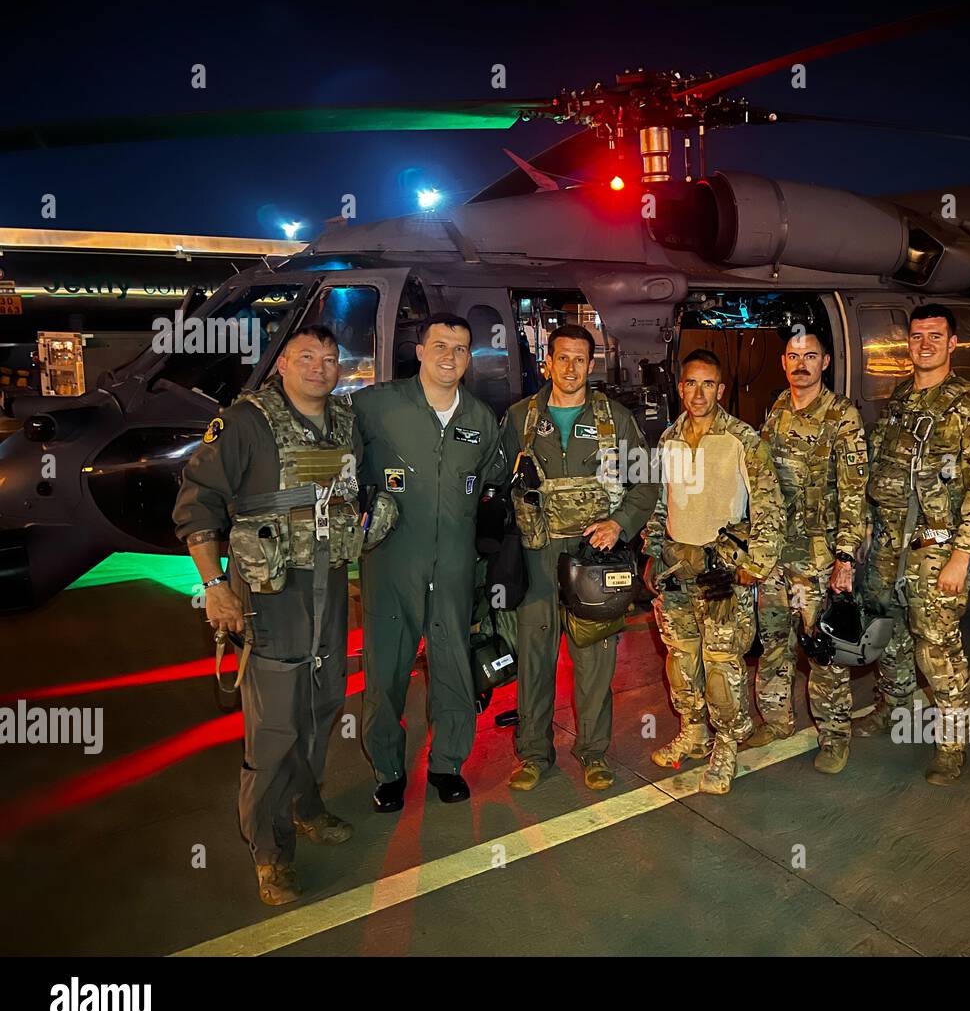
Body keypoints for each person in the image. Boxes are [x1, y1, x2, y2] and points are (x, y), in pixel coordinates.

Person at [173, 324, 361, 906]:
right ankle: (269, 851)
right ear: (281, 363)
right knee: (276, 725)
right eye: (307, 357)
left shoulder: (346, 421)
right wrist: (213, 586)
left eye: (329, 360)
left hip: (327, 589)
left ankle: (306, 806)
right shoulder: (245, 422)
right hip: (268, 594)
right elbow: (196, 504)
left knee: (324, 703)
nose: (319, 368)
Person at [352, 313, 505, 811]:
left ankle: (447, 764)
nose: (449, 357)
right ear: (419, 351)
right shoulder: (374, 407)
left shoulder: (480, 419)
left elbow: (492, 484)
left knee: (454, 668)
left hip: (456, 570)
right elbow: (332, 462)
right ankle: (389, 771)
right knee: (386, 673)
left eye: (460, 349)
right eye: (439, 346)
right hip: (392, 565)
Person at [501, 324, 657, 791]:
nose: (570, 368)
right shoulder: (518, 419)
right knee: (534, 660)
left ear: (592, 365)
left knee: (594, 659)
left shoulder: (616, 419)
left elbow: (646, 482)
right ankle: (533, 752)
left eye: (579, 360)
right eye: (561, 358)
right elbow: (496, 485)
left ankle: (592, 753)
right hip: (537, 559)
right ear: (547, 361)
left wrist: (620, 524)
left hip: (595, 559)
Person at [858, 305, 970, 785]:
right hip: (889, 543)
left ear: (952, 344)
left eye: (934, 337)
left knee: (937, 648)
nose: (924, 344)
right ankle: (893, 708)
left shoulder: (967, 405)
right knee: (892, 635)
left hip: (934, 546)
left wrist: (962, 557)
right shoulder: (901, 398)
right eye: (917, 336)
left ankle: (952, 743)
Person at [643, 349, 785, 794]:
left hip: (722, 573)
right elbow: (658, 503)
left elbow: (770, 505)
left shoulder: (743, 440)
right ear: (680, 387)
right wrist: (651, 551)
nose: (698, 393)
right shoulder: (667, 440)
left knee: (722, 665)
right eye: (690, 383)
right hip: (676, 570)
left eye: (708, 384)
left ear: (721, 390)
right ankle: (695, 731)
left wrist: (754, 565)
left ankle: (726, 744)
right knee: (682, 660)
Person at [751, 329, 869, 774]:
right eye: (793, 355)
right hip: (775, 555)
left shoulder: (842, 417)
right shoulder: (777, 407)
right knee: (774, 640)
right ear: (784, 362)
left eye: (810, 356)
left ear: (825, 363)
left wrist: (844, 558)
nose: (801, 363)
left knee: (822, 648)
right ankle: (777, 720)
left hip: (815, 563)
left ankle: (835, 734)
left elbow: (855, 493)